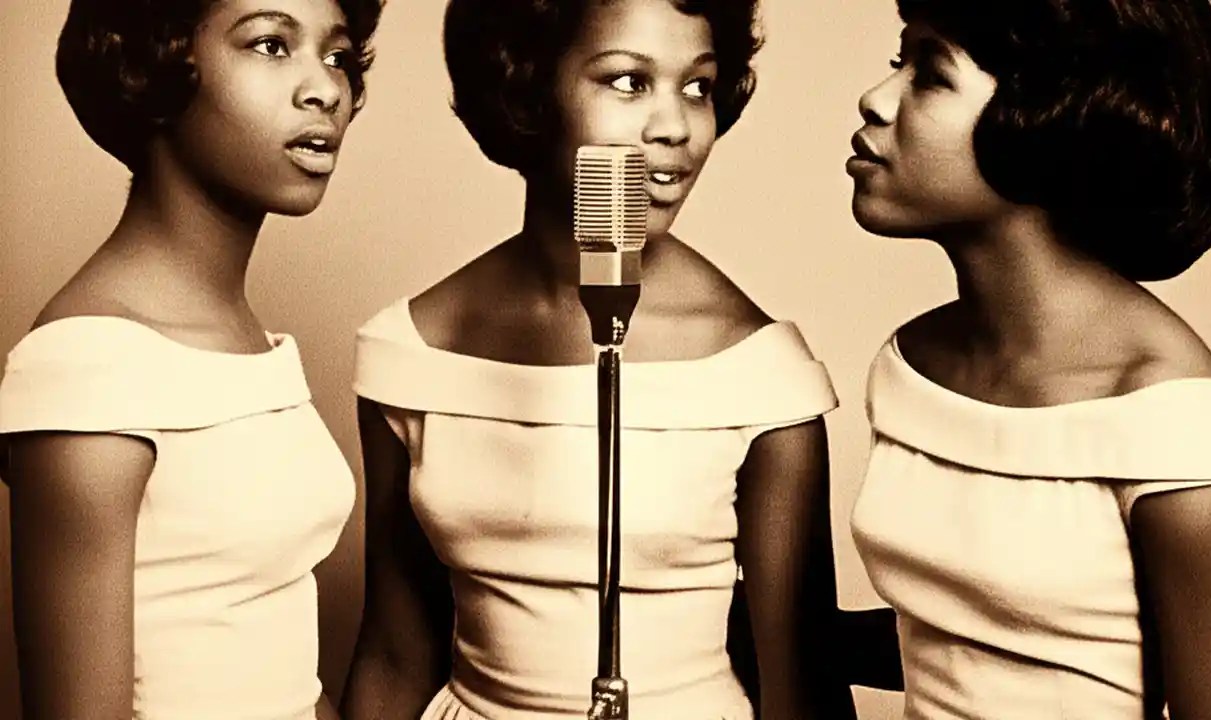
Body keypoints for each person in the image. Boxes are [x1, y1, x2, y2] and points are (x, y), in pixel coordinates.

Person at [341, 0, 854, 717]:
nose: (675, 127)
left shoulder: (759, 371)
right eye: (627, 82)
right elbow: (395, 654)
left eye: (699, 87)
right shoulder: (410, 353)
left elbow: (800, 693)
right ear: (526, 88)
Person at [844, 0, 1211, 717]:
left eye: (929, 73)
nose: (876, 96)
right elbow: (986, 638)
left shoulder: (1173, 424)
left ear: (1052, 114)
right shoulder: (912, 362)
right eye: (901, 60)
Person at [0, 0, 382, 717]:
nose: (325, 89)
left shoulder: (238, 334)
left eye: (338, 56)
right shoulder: (87, 367)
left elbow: (280, 677)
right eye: (271, 44)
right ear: (158, 67)